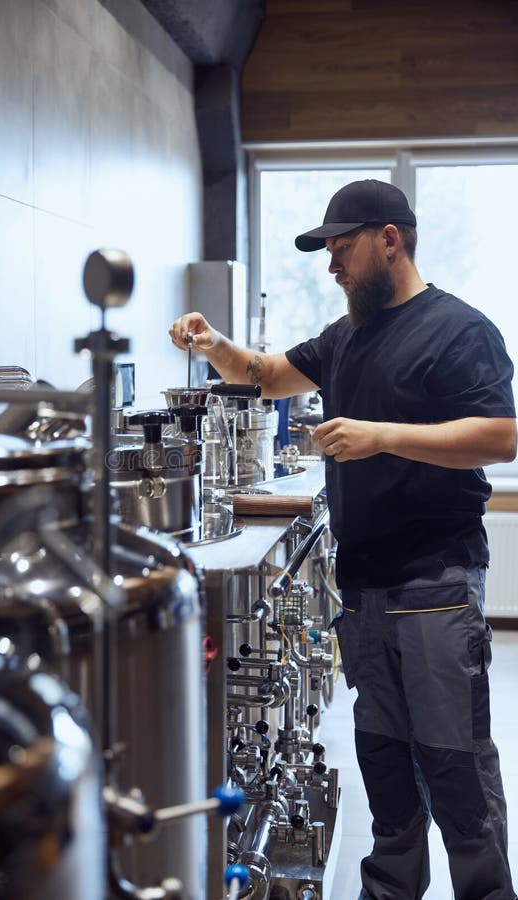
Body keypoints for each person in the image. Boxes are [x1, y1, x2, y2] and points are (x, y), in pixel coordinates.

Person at [169, 179, 518, 900]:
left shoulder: (460, 329)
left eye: (343, 247)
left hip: (435, 586)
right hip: (361, 591)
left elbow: (501, 435)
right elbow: (265, 378)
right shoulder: (345, 337)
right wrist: (213, 345)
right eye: (328, 251)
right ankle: (390, 891)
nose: (332, 265)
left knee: (455, 766)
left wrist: (381, 436)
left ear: (389, 238)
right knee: (386, 764)